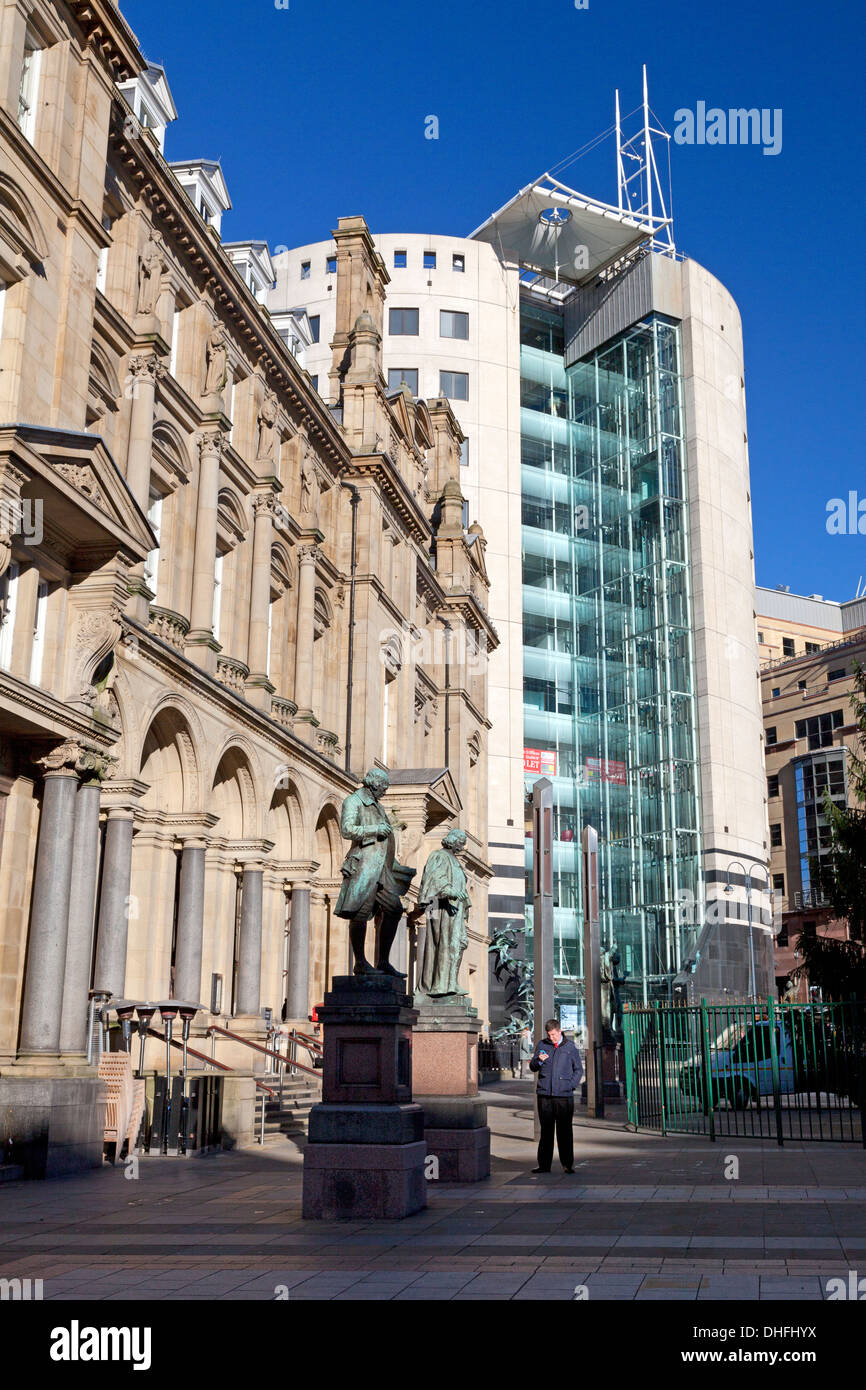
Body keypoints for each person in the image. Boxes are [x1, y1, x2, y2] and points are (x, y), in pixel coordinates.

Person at [529, 1017, 583, 1174]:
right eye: (549, 1035)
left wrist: (570, 1085)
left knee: (564, 1131)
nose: (551, 1037)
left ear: (560, 1031)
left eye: (553, 1034)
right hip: (545, 1095)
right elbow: (533, 1066)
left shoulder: (570, 1047)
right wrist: (539, 1060)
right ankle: (544, 1165)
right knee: (546, 1131)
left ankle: (568, 1164)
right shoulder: (542, 1045)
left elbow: (578, 1070)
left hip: (564, 1096)